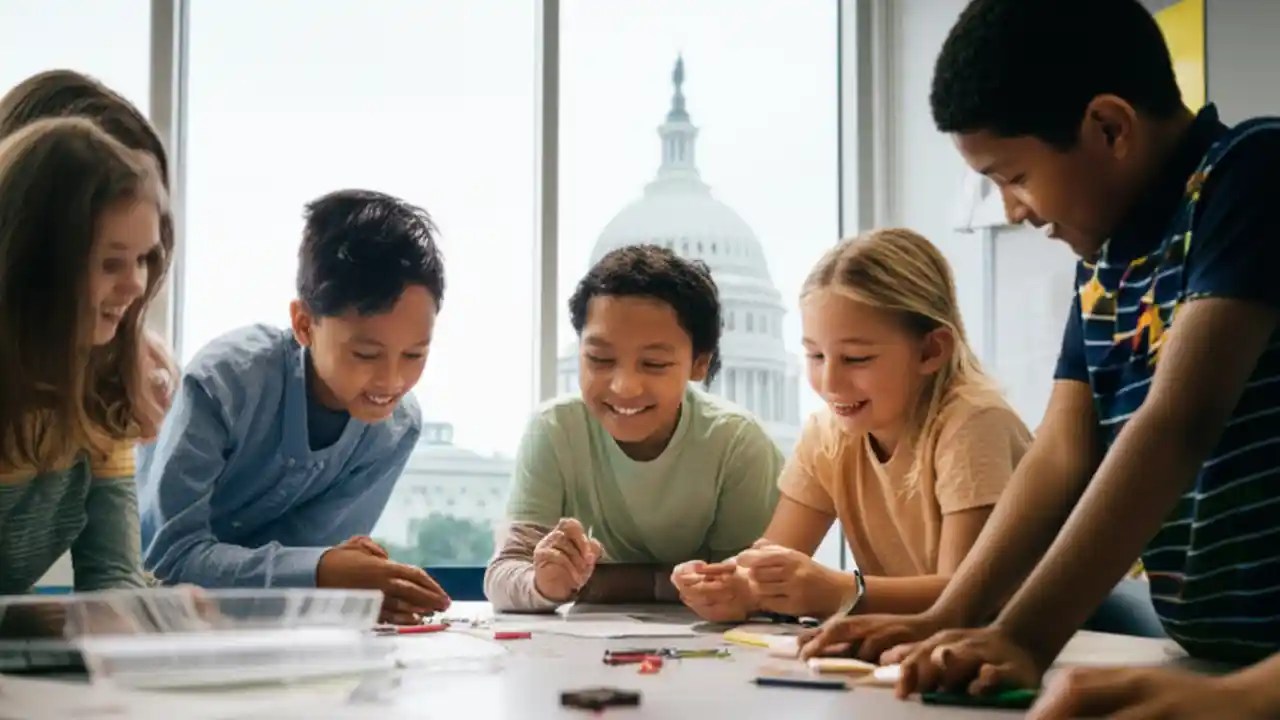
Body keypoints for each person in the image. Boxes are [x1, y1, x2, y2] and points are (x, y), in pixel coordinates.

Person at [803, 0, 1280, 714]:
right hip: (1208, 658)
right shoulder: (1105, 260)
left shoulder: (1250, 174)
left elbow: (1178, 421)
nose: (1015, 209)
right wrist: (951, 616)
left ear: (1109, 128)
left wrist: (1025, 635)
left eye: (1015, 176)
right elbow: (1061, 452)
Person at [672, 229, 1030, 623]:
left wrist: (841, 591)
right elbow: (767, 563)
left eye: (857, 359)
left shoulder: (974, 424)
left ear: (931, 350)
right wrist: (735, 586)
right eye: (815, 355)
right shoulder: (828, 435)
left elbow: (968, 596)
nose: (829, 383)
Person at [139, 189, 451, 624]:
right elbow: (166, 562)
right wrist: (324, 570)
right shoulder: (224, 384)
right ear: (304, 323)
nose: (392, 381)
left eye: (415, 354)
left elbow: (305, 565)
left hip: (265, 631)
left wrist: (338, 572)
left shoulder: (396, 429)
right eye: (365, 354)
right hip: (148, 622)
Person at [485, 244, 783, 612]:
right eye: (600, 359)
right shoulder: (555, 430)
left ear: (699, 365)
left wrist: (607, 583)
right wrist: (542, 582)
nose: (624, 386)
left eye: (654, 364)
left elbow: (747, 586)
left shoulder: (737, 443)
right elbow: (503, 573)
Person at [0, 117, 170, 594]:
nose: (136, 284)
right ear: (33, 265)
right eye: (111, 263)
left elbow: (113, 578)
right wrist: (54, 627)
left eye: (142, 259)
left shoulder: (101, 391)